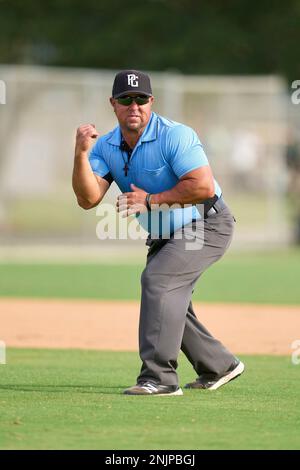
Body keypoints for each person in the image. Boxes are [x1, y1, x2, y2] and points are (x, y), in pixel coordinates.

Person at [72, 69, 245, 396]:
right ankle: (219, 364)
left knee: (158, 282)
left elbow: (203, 186)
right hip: (167, 233)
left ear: (151, 102)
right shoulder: (106, 145)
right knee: (166, 300)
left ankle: (159, 378)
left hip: (204, 224)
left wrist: (150, 200)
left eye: (141, 99)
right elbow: (88, 198)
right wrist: (81, 154)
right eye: (125, 99)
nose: (133, 106)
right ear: (113, 104)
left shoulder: (175, 135)